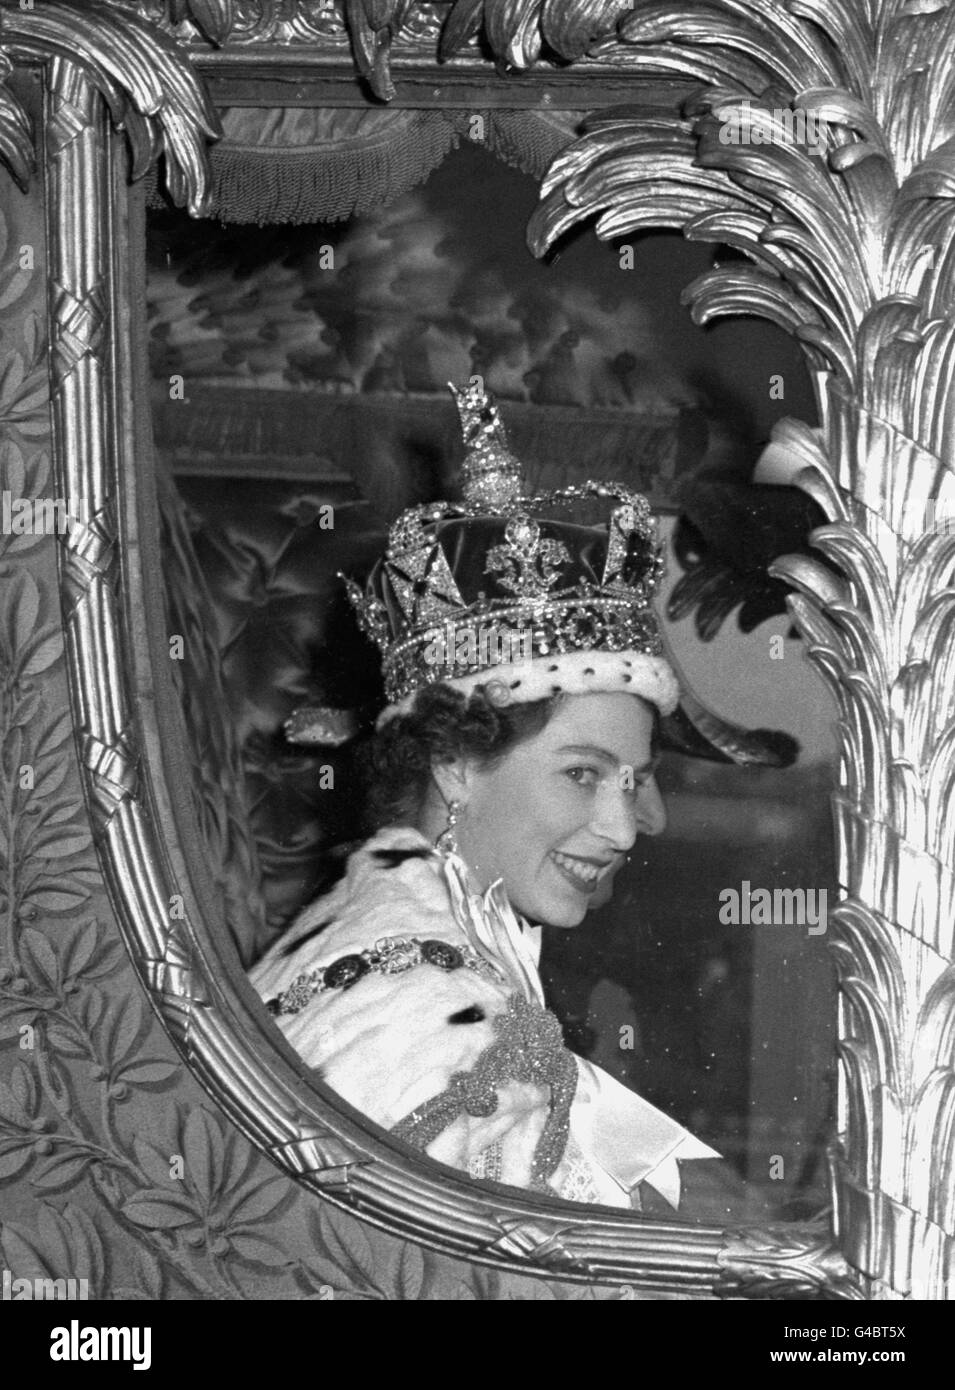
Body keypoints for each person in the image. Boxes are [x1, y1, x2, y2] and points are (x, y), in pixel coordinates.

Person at [250, 381, 757, 1218]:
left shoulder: (414, 943)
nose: (621, 827)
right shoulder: (428, 1013)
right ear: (454, 761)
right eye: (582, 774)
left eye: (630, 783)